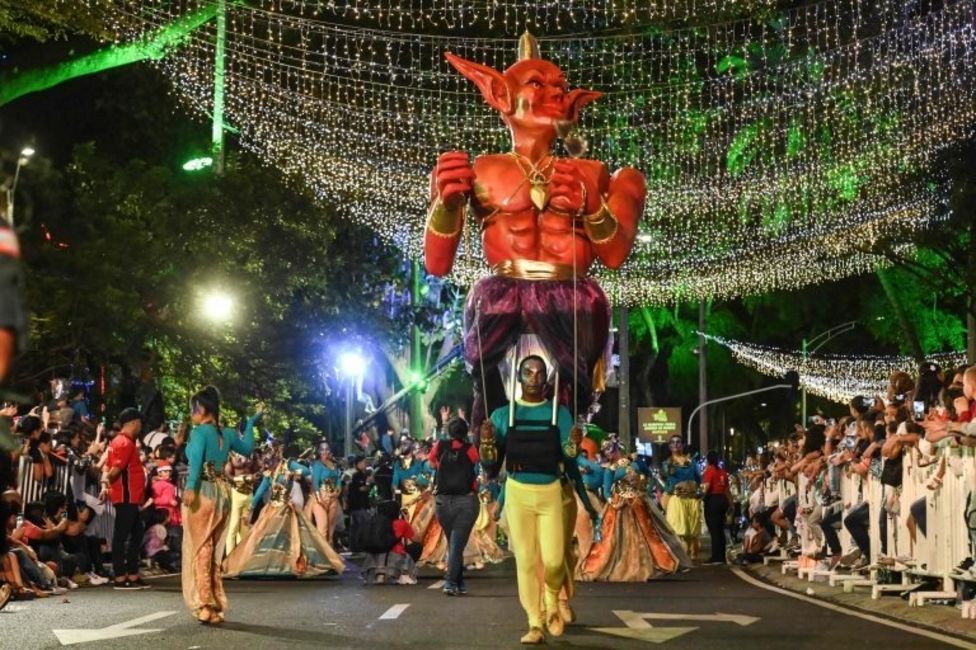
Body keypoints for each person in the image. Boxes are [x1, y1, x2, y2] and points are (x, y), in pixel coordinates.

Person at [479, 355, 582, 645]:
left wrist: (574, 443)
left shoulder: (557, 413)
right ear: (519, 377)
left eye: (539, 373)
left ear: (547, 378)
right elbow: (490, 462)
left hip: (550, 490)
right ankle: (535, 622)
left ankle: (551, 599)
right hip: (518, 491)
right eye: (528, 372)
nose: (534, 378)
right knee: (524, 560)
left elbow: (569, 455)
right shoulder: (503, 414)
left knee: (552, 560)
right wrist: (486, 441)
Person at [181, 386, 261, 624]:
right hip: (223, 494)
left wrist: (190, 488)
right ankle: (215, 604)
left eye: (193, 409)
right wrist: (250, 424)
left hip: (203, 492)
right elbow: (247, 448)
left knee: (201, 549)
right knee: (214, 550)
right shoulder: (226, 433)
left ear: (203, 409)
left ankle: (206, 605)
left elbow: (195, 462)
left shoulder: (199, 433)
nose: (191, 413)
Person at [429, 417, 480, 595]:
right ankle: (451, 582)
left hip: (443, 502)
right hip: (465, 501)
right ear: (465, 432)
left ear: (449, 431)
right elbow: (477, 464)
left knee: (453, 543)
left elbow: (431, 463)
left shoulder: (440, 446)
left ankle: (459, 582)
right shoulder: (470, 449)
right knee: (457, 543)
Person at [100, 408, 149, 590]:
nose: (141, 427)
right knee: (121, 536)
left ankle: (132, 574)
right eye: (140, 423)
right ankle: (120, 576)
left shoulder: (119, 442)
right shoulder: (125, 443)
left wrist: (105, 485)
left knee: (136, 534)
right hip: (126, 495)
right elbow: (115, 470)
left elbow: (107, 466)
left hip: (130, 496)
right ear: (134, 422)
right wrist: (106, 483)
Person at [662, 436, 702, 561]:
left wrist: (696, 490)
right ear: (669, 446)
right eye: (672, 442)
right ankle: (681, 557)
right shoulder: (667, 463)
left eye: (678, 442)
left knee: (692, 531)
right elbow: (670, 480)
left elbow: (699, 479)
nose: (675, 444)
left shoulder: (691, 462)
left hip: (691, 499)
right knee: (679, 528)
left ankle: (691, 555)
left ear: (682, 445)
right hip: (677, 499)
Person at [307, 441, 343, 545]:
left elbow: (338, 480)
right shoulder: (317, 465)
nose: (324, 451)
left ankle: (330, 554)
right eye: (322, 449)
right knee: (323, 528)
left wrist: (338, 491)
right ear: (318, 451)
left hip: (333, 498)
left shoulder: (333, 465)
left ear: (330, 451)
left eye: (327, 449)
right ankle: (321, 555)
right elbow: (315, 483)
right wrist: (319, 499)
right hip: (320, 499)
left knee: (331, 530)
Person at [702, 451, 731, 565]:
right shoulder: (723, 472)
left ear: (708, 460)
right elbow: (727, 490)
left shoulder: (709, 471)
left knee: (714, 529)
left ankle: (716, 557)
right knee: (720, 529)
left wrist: (701, 498)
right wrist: (731, 504)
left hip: (713, 500)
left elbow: (707, 487)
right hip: (723, 500)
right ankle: (721, 556)